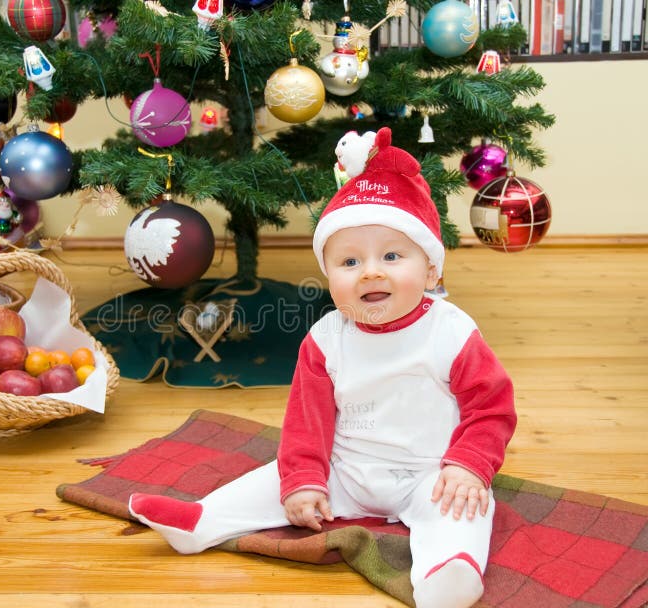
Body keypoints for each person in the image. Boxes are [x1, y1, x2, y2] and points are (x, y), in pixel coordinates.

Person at [129, 127, 517, 608]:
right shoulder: (326, 338)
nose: (371, 271)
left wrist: (468, 466)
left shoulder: (452, 332)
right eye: (350, 261)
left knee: (465, 507)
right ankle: (202, 521)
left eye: (392, 256)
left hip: (429, 472)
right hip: (346, 468)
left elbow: (491, 408)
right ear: (329, 276)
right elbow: (306, 421)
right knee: (274, 478)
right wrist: (305, 480)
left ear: (432, 269)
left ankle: (446, 571)